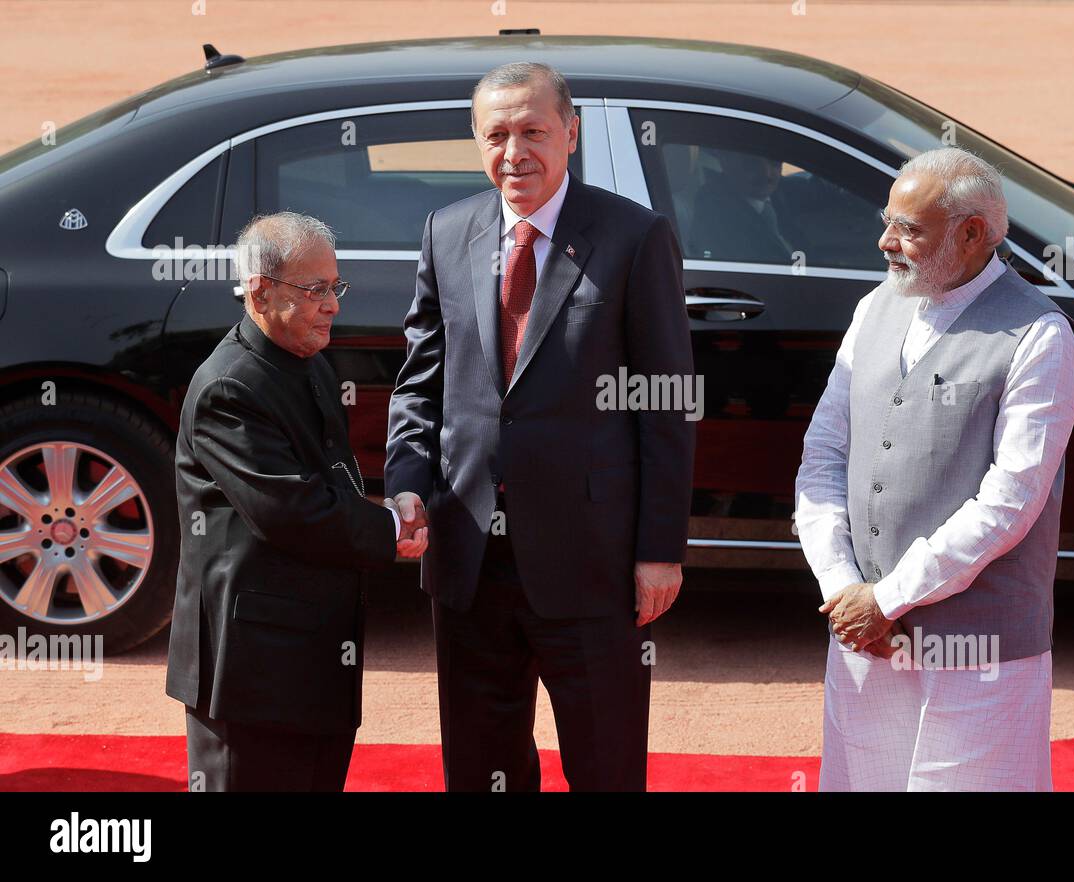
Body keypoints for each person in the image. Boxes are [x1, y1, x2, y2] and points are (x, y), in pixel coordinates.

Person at [385, 62, 695, 791]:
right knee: (481, 764)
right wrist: (406, 487)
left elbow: (665, 403)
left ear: (571, 135)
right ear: (476, 140)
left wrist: (660, 549)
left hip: (594, 564)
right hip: (468, 559)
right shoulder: (445, 231)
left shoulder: (633, 237)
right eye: (497, 134)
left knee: (605, 765)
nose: (515, 152)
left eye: (533, 131)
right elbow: (419, 383)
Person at [794, 147, 1074, 791]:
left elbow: (1010, 502)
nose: (885, 241)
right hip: (866, 638)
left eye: (909, 229)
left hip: (979, 657)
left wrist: (890, 598)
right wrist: (846, 589)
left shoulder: (1041, 337)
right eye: (888, 221)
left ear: (973, 233)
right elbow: (822, 459)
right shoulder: (874, 309)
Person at [166, 211, 427, 792]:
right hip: (251, 667)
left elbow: (332, 483)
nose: (333, 303)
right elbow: (291, 511)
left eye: (336, 287)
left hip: (310, 652)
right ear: (260, 291)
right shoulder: (229, 388)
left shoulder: (302, 359)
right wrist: (392, 529)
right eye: (315, 290)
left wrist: (388, 511)